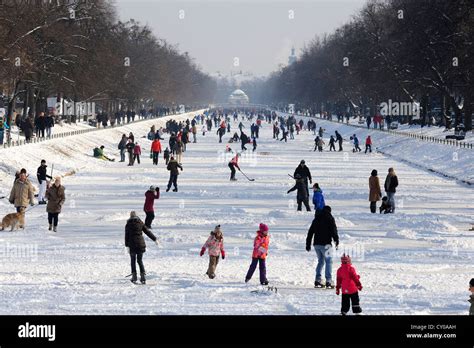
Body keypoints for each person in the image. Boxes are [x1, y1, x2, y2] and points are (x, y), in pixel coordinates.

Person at [306, 205, 339, 288]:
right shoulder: (330, 218)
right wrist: (336, 240)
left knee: (321, 261)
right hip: (326, 244)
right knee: (328, 261)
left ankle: (318, 279)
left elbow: (310, 232)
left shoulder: (316, 218)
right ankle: (328, 280)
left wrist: (308, 244)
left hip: (316, 244)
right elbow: (333, 230)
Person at [124, 211, 158, 284]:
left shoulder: (128, 224)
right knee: (140, 260)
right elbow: (147, 232)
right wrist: (154, 239)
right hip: (140, 244)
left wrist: (127, 246)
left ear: (130, 216)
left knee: (133, 261)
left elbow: (126, 236)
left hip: (132, 245)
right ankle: (142, 277)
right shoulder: (140, 223)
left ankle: (134, 277)